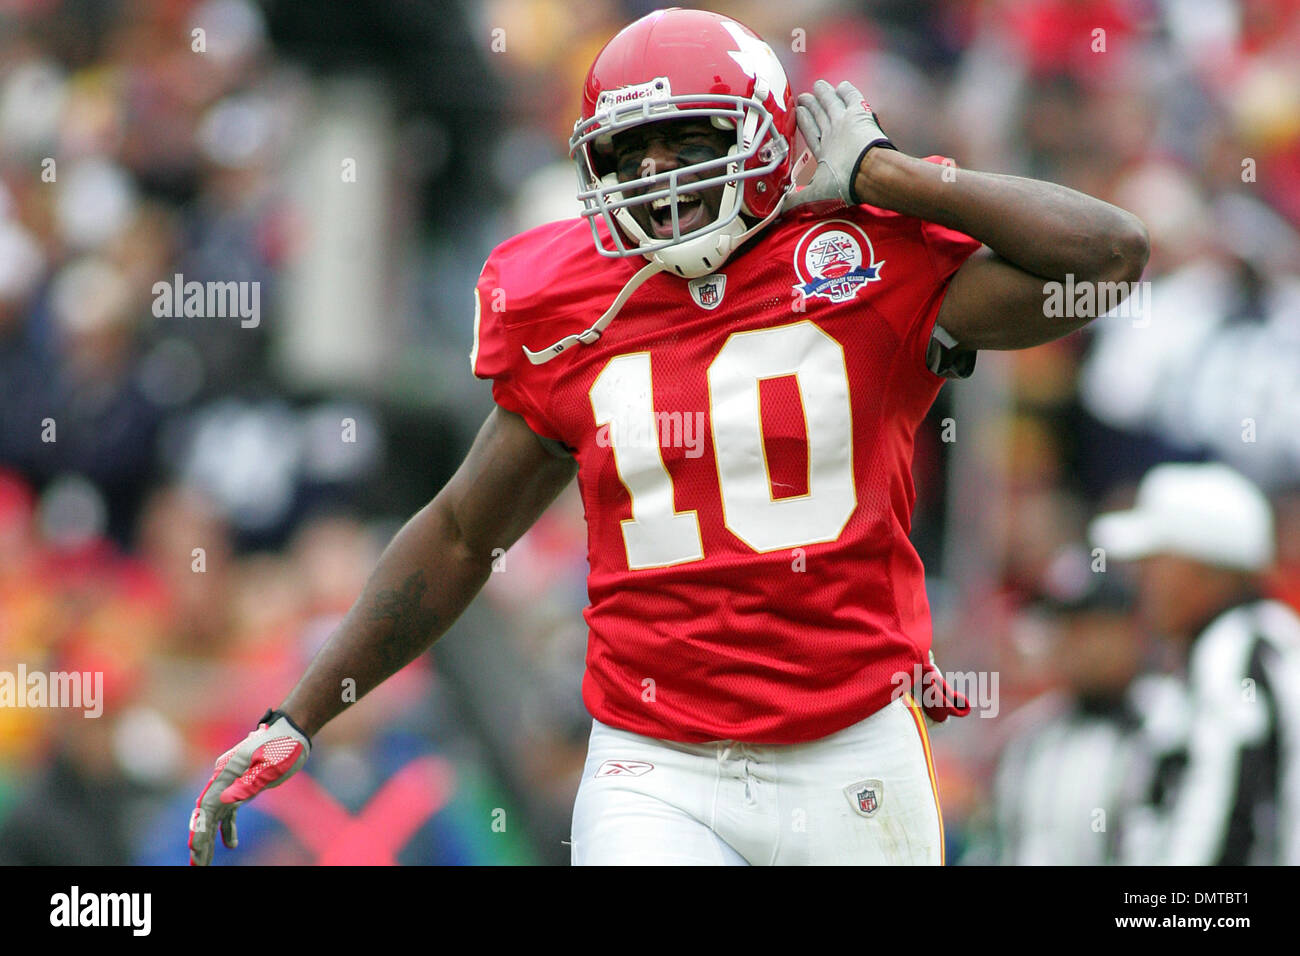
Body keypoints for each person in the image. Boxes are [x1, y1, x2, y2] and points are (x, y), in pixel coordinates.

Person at [188, 7, 1148, 866]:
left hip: (850, 741)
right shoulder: (568, 298)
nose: (656, 175)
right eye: (629, 153)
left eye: (687, 141)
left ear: (768, 139)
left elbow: (1110, 255)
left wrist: (891, 177)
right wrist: (301, 714)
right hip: (654, 758)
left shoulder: (858, 256)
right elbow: (460, 533)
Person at [1090, 461, 1300, 865]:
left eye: (1155, 562)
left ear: (1206, 570)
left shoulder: (1236, 654)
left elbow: (1224, 821)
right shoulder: (1231, 647)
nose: (1140, 580)